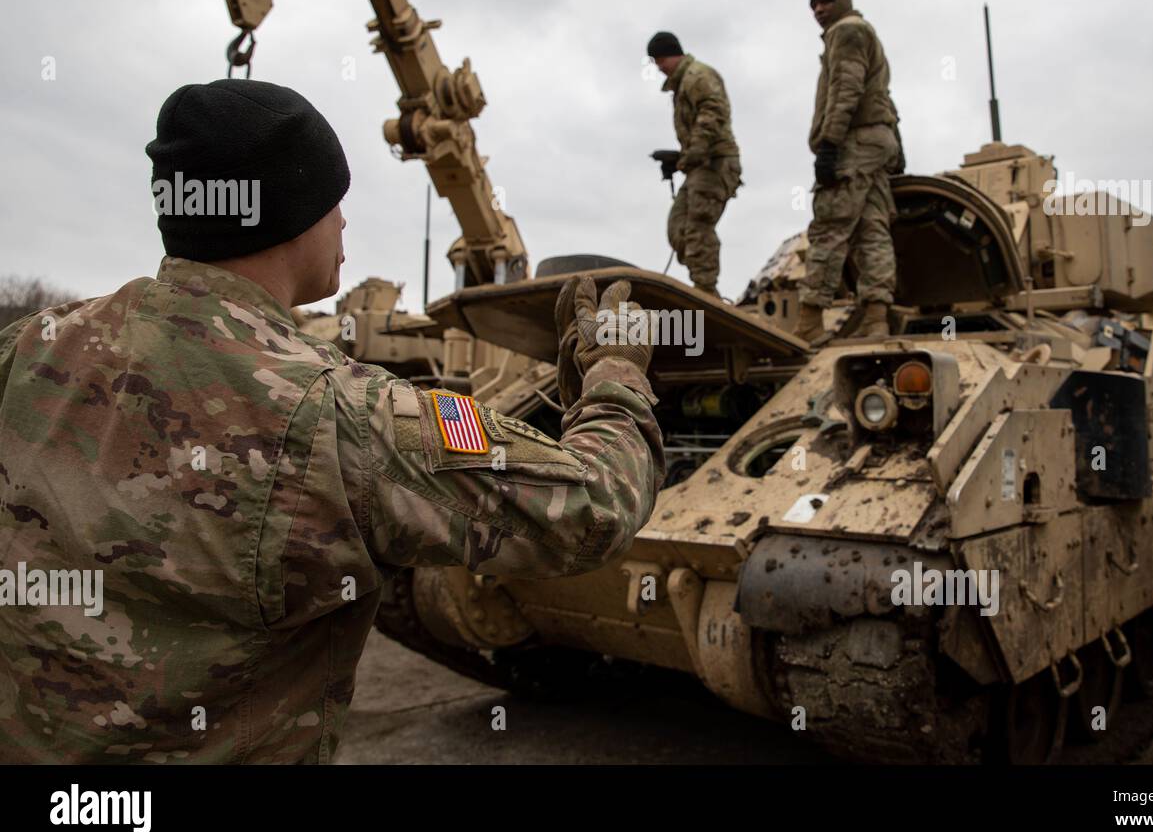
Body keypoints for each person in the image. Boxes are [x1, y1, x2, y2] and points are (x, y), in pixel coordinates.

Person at [0, 79, 664, 763]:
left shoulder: (31, 347)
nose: (343, 222)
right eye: (333, 201)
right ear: (291, 213)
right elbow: (595, 504)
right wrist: (616, 371)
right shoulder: (343, 414)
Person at [797, 0, 906, 343]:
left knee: (830, 225)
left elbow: (847, 88)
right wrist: (896, 145)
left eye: (826, 2)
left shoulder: (846, 32)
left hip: (854, 142)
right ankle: (876, 317)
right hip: (876, 143)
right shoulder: (862, 31)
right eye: (813, 6)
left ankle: (811, 320)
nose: (819, 10)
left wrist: (829, 144)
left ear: (842, 2)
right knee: (871, 229)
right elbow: (882, 95)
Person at [647, 31, 742, 298]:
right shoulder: (683, 83)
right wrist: (679, 158)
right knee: (678, 228)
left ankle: (706, 291)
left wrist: (688, 157)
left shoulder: (697, 76)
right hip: (700, 165)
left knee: (698, 227)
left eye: (659, 60)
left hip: (715, 163)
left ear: (670, 55)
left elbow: (712, 113)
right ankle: (703, 280)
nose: (658, 68)